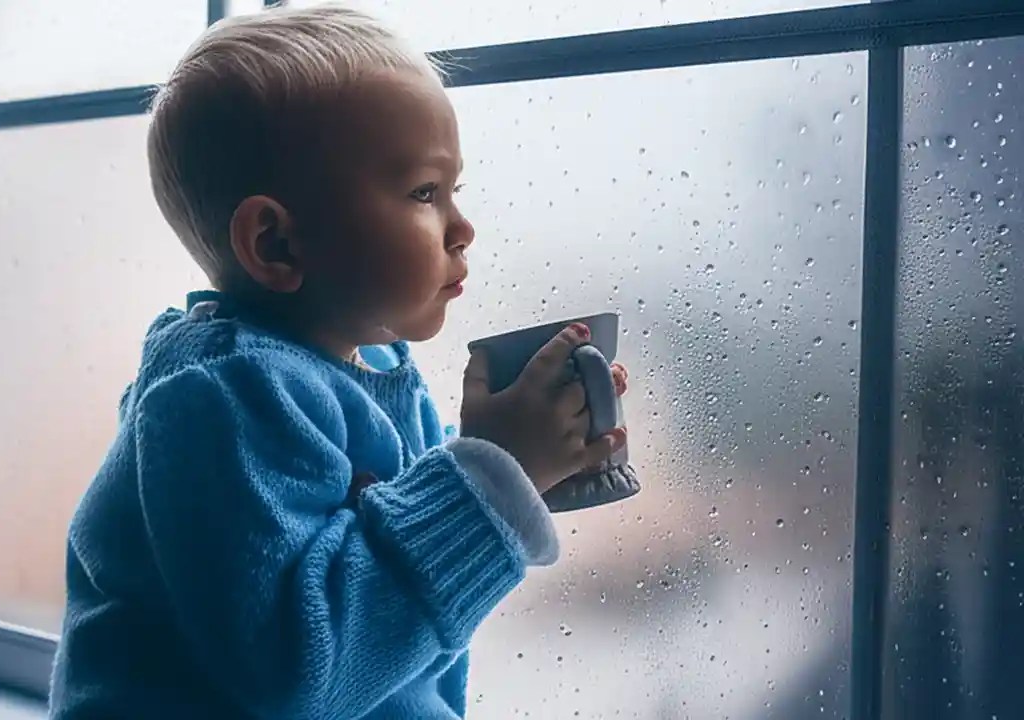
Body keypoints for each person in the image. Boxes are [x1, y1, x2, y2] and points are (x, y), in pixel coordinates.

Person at [48, 4, 629, 718]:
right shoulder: (220, 399)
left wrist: (518, 464)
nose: (462, 226)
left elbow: (379, 562)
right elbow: (302, 673)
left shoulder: (371, 364)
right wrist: (487, 483)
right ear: (277, 244)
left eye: (455, 191)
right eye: (423, 192)